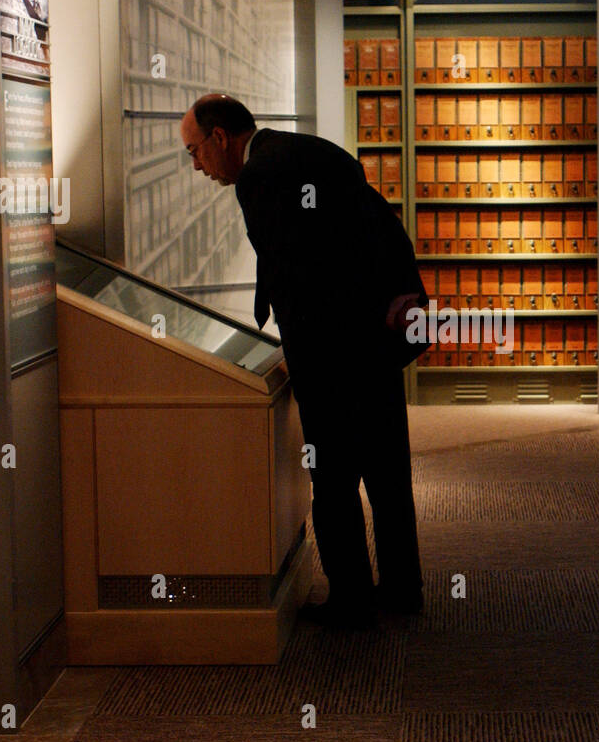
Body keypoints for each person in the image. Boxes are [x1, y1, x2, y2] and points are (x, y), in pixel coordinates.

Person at [179, 94, 429, 630]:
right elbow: (381, 227)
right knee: (387, 474)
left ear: (221, 138)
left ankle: (352, 603)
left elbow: (295, 275)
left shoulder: (259, 177)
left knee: (332, 481)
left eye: (194, 151)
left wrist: (299, 354)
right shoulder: (308, 151)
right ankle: (403, 590)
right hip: (374, 343)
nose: (196, 165)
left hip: (334, 355)